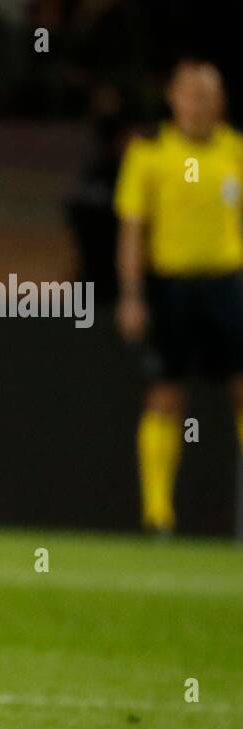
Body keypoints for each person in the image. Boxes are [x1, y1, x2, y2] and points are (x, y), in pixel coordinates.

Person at [114, 60, 243, 534]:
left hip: (228, 284)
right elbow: (132, 230)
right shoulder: (150, 152)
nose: (199, 101)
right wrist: (131, 296)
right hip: (172, 288)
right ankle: (157, 513)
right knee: (166, 394)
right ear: (173, 98)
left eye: (209, 93)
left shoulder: (236, 150)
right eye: (190, 92)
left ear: (221, 100)